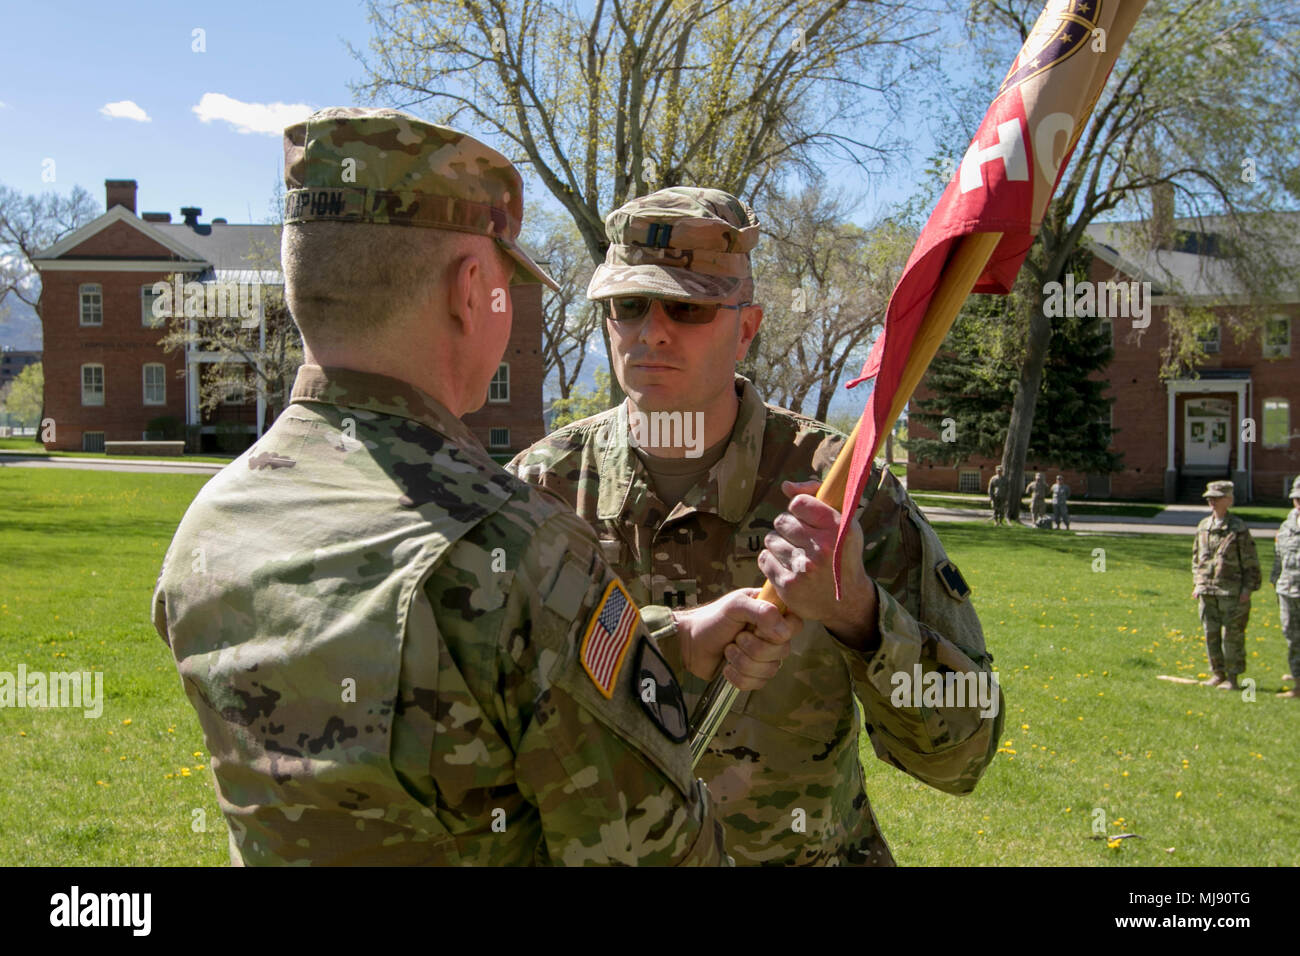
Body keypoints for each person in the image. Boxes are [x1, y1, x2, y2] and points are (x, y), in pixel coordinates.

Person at [150, 108, 798, 865]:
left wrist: (663, 641)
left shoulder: (211, 525)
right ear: (469, 290)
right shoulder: (519, 548)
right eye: (507, 283)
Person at [508, 186, 1003, 867]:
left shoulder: (843, 489)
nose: (650, 331)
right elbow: (485, 713)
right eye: (627, 306)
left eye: (687, 307)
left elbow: (964, 753)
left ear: (746, 327)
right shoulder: (541, 488)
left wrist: (859, 617)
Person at [1191, 480, 1261, 691]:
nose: (1211, 501)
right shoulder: (1203, 526)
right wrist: (1197, 583)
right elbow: (1196, 557)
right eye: (1209, 498)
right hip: (1207, 590)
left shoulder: (1238, 528)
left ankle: (1233, 678)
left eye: (1216, 497)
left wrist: (1248, 589)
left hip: (1232, 592)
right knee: (1210, 634)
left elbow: (1250, 561)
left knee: (1232, 636)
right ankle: (1217, 673)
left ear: (1229, 500)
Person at [1270, 476, 1300, 699]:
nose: (1299, 502)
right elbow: (1278, 558)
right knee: (1292, 636)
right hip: (1288, 590)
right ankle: (1298, 683)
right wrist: (1275, 582)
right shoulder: (1287, 525)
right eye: (1296, 498)